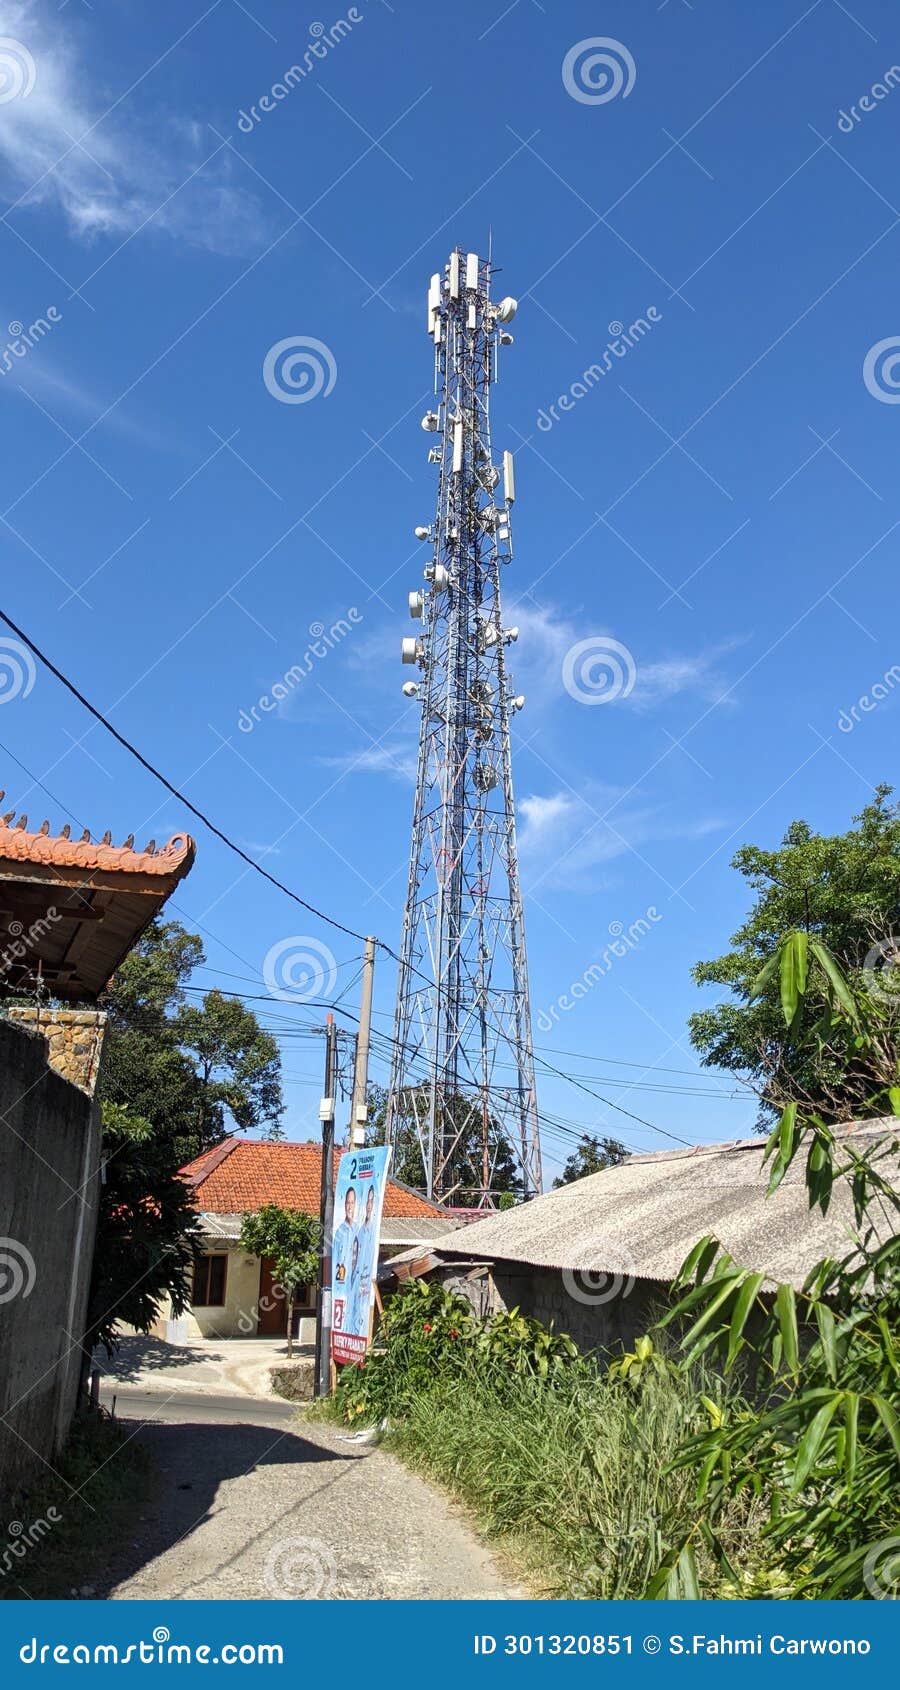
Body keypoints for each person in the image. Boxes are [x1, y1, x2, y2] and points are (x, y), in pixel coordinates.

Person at [332, 1184, 357, 1289]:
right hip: (340, 1285)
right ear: (344, 1205)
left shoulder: (358, 1230)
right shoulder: (339, 1232)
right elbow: (334, 1261)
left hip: (355, 1285)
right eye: (348, 1203)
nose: (350, 1206)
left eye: (352, 1203)